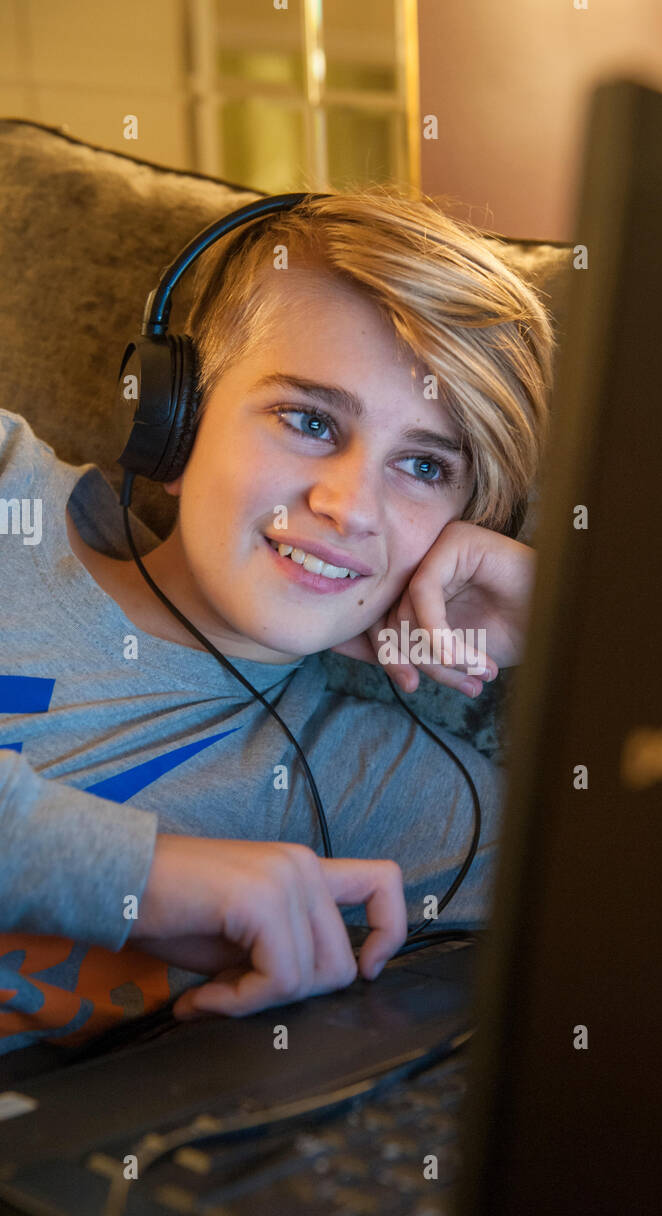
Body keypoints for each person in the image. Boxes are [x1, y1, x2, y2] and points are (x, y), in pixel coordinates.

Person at [0, 189, 555, 1057]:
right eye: (309, 421)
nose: (346, 506)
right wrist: (142, 874)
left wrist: (574, 637)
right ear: (171, 426)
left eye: (420, 465)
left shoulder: (383, 788)